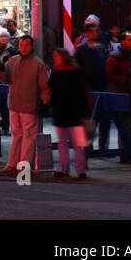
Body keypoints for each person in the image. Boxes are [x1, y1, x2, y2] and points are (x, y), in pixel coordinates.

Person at [0, 34, 51, 176]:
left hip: (29, 105)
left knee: (27, 136)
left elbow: (44, 86)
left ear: (32, 47)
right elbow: (3, 79)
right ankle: (13, 164)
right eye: (21, 45)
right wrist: (0, 68)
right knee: (18, 135)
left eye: (26, 45)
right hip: (15, 104)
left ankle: (22, 166)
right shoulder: (13, 61)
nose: (24, 48)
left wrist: (45, 102)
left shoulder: (38, 64)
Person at [50, 49, 91, 179]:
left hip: (67, 111)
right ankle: (78, 169)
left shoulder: (59, 73)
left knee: (67, 142)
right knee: (75, 142)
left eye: (57, 55)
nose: (55, 58)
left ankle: (66, 167)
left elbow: (54, 93)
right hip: (72, 111)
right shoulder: (73, 71)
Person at [74, 18, 109, 150]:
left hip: (102, 87)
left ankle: (103, 145)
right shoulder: (81, 50)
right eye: (93, 31)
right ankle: (88, 146)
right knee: (89, 119)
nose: (96, 34)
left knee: (104, 118)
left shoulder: (101, 48)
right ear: (87, 34)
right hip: (88, 88)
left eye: (96, 31)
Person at [106, 32, 131, 164]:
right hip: (123, 95)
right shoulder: (116, 57)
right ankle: (125, 154)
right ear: (122, 42)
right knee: (125, 126)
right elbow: (109, 75)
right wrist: (123, 81)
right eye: (130, 39)